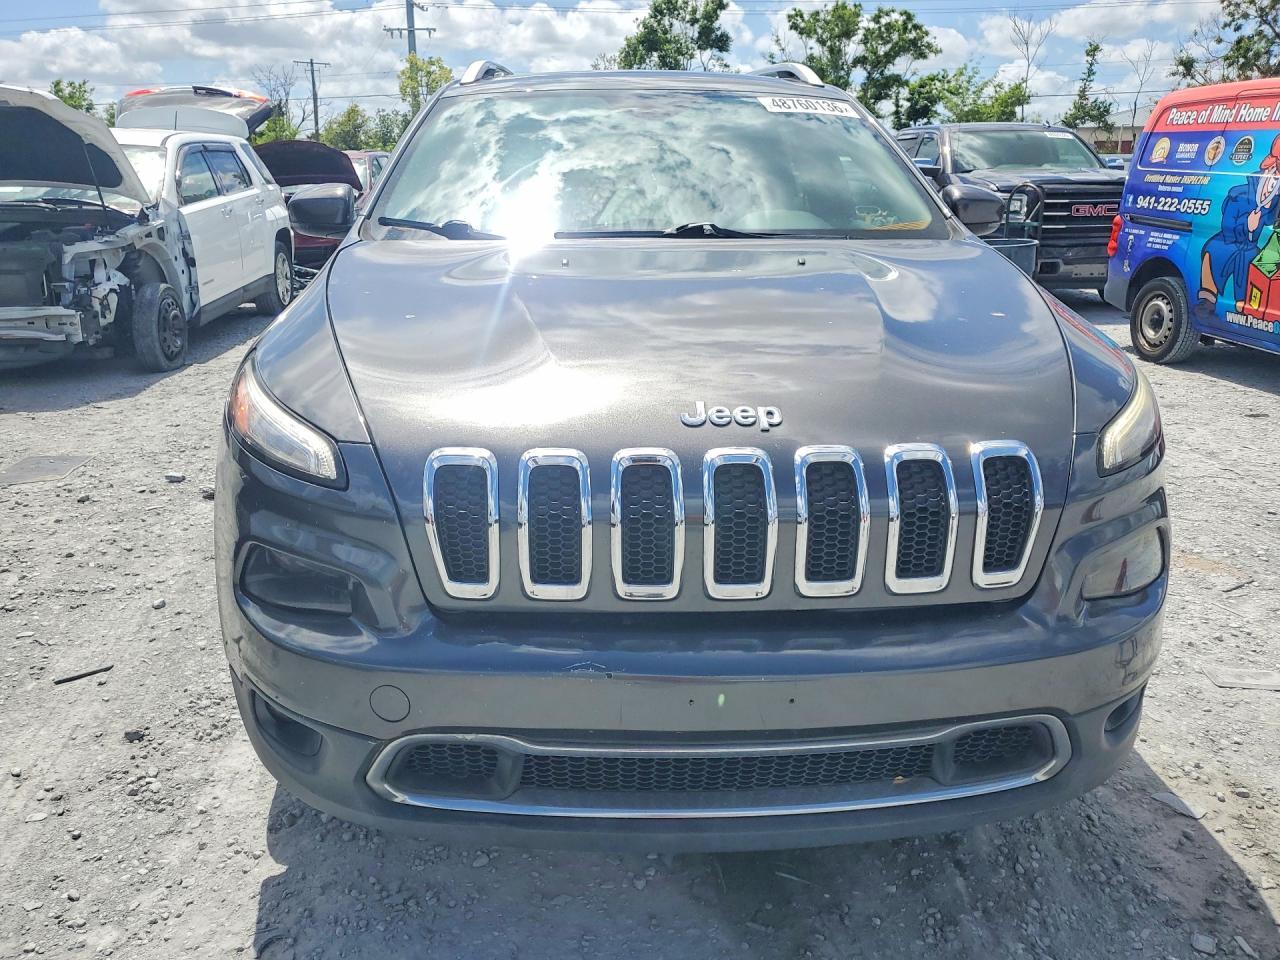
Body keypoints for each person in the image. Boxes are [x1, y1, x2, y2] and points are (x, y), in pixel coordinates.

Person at [1200, 133, 1280, 308]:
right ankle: (1208, 300)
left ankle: (1245, 308)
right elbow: (1227, 226)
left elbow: (1271, 222)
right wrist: (1248, 226)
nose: (1272, 188)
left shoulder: (1274, 201)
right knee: (1214, 255)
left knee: (1255, 266)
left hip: (1251, 247)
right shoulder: (1239, 194)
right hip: (1227, 241)